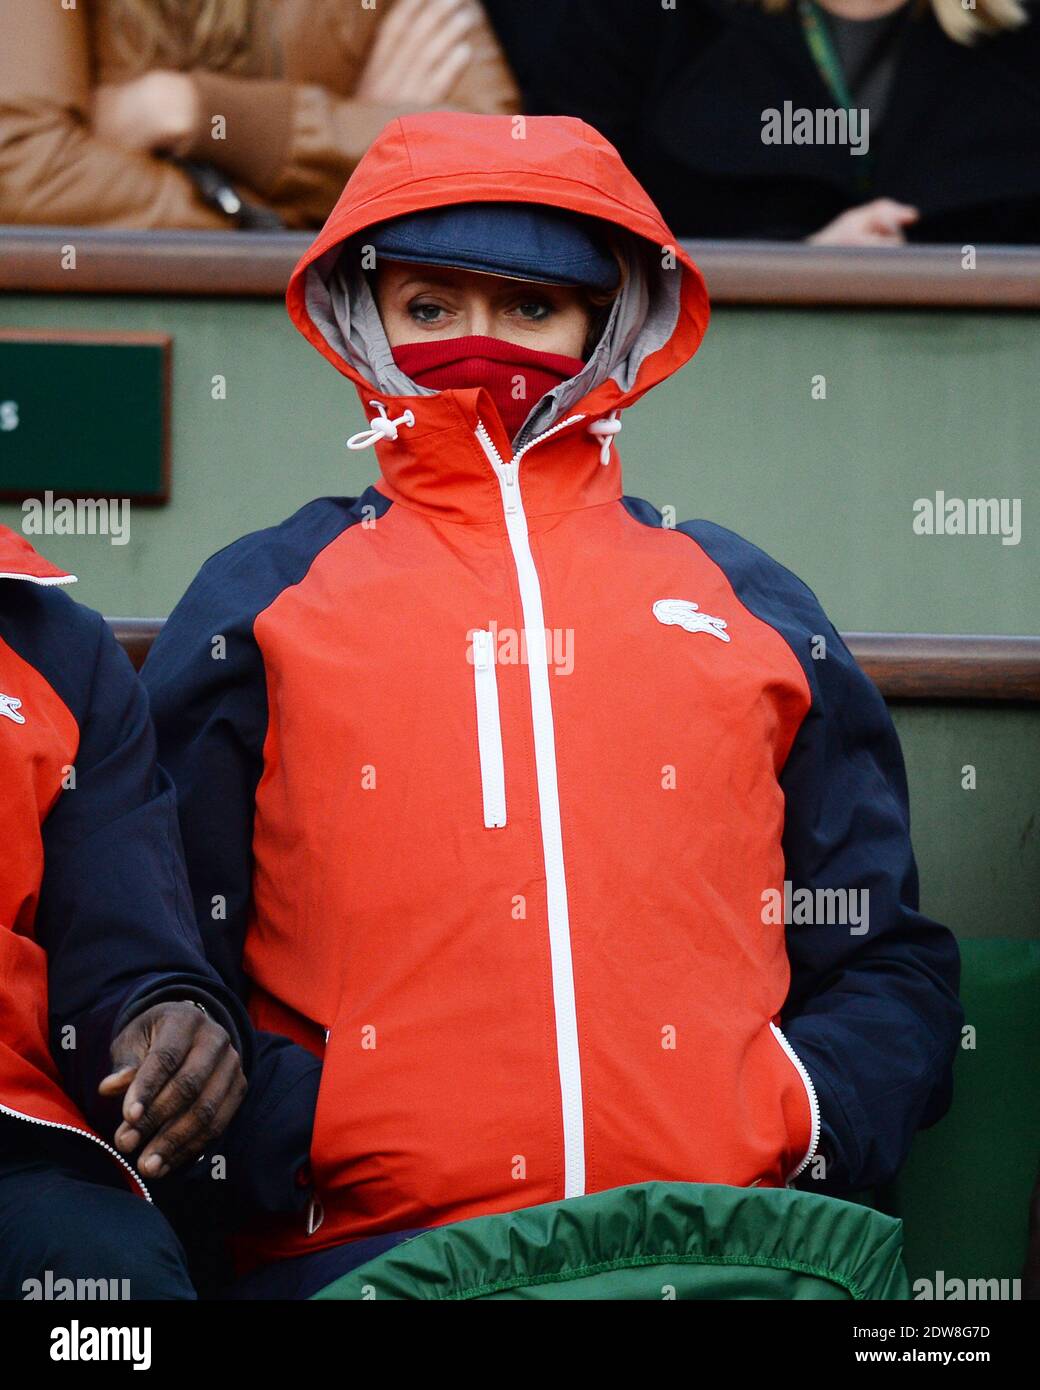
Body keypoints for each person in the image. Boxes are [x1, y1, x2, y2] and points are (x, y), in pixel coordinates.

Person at [142, 111, 963, 1298]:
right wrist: (304, 1141)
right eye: (428, 309)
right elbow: (162, 953)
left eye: (529, 307)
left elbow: (883, 956)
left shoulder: (740, 593)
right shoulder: (265, 594)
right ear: (363, 323)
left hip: (734, 1253)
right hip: (379, 1263)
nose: (479, 345)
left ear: (603, 318)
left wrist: (799, 1115)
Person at [0, 525, 253, 1299]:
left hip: (16, 1153)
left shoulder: (52, 645)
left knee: (112, 1275)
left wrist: (159, 1014)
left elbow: (120, 946)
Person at [527, 0, 1040, 245]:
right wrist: (801, 266)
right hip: (716, 391)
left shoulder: (1022, 35)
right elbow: (574, 233)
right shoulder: (642, 21)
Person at [0, 0, 517, 230]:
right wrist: (358, 145)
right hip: (101, 336)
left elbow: (498, 168)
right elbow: (26, 173)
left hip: (338, 362)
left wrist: (197, 111)